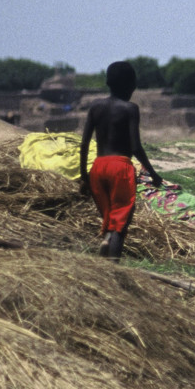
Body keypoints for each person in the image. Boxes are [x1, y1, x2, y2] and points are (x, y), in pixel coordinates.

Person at [75, 60, 163, 259]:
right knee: (120, 225)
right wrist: (153, 173)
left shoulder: (95, 107)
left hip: (98, 167)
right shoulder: (130, 109)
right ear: (131, 85)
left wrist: (84, 175)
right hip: (120, 167)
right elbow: (136, 147)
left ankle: (106, 241)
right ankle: (113, 268)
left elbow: (84, 145)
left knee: (109, 217)